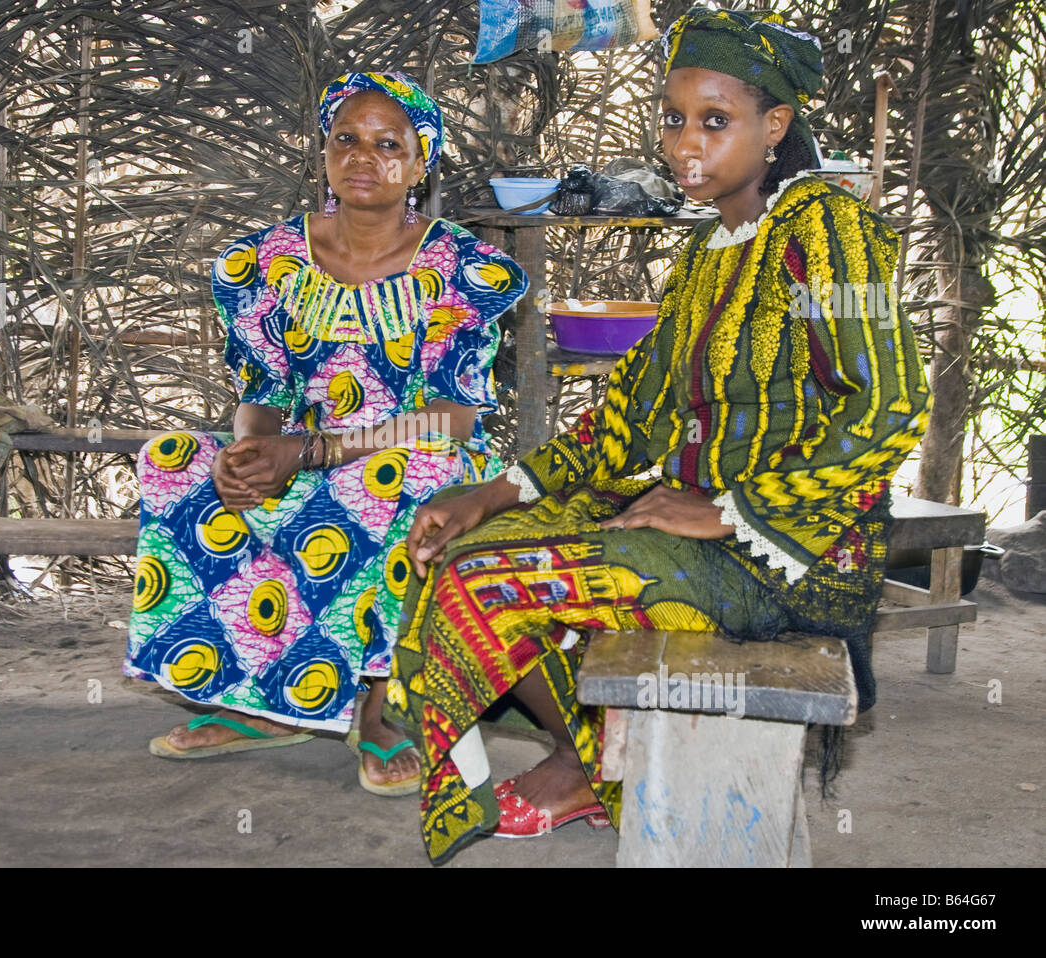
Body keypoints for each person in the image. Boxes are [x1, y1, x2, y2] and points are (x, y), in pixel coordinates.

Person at [387, 5, 932, 863]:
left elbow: (886, 404)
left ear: (775, 124)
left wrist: (730, 510)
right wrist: (488, 492)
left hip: (795, 552)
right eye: (675, 119)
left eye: (716, 122)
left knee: (490, 583)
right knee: (454, 547)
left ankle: (586, 768)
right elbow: (626, 415)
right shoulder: (710, 252)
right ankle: (599, 763)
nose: (686, 144)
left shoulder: (825, 230)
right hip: (715, 528)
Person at [124, 71, 528, 796]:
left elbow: (454, 416)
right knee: (174, 461)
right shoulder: (269, 260)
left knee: (387, 483)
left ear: (420, 161)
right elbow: (263, 390)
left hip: (416, 453)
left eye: (387, 143)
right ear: (324, 153)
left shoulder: (462, 267)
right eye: (347, 139)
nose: (364, 157)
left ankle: (377, 717)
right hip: (302, 453)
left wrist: (310, 452)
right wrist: (251, 452)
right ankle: (264, 703)